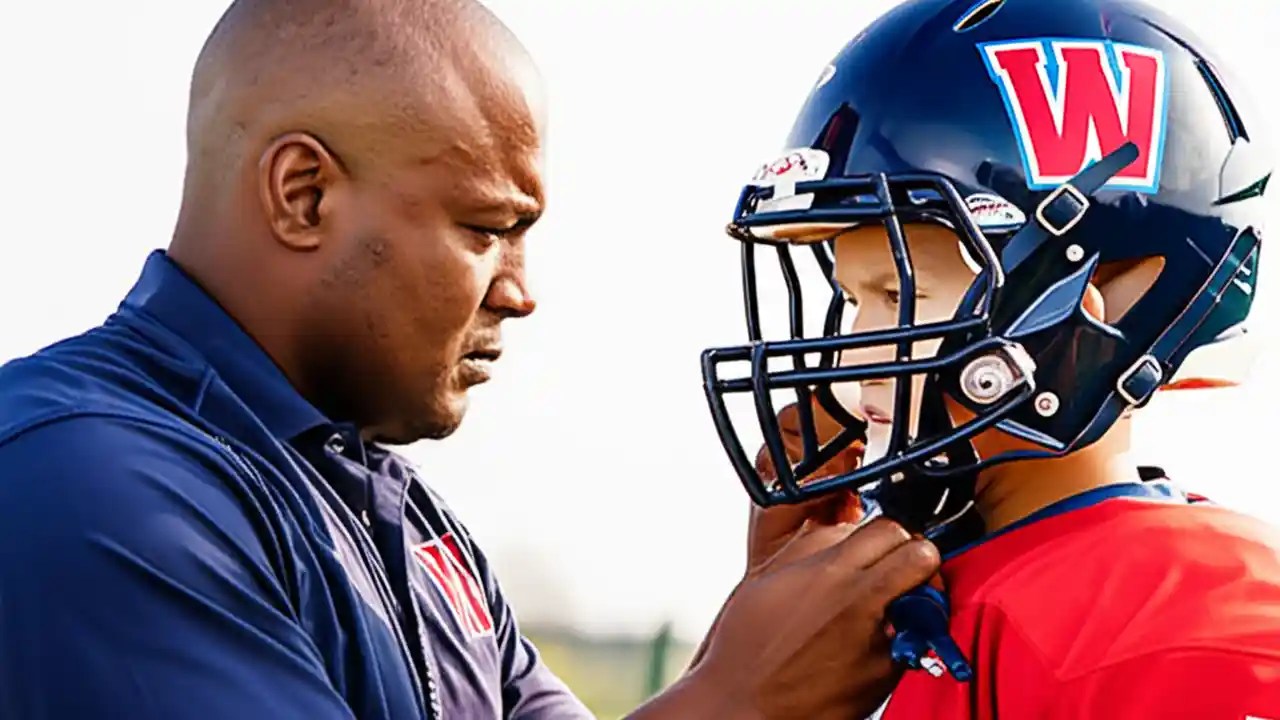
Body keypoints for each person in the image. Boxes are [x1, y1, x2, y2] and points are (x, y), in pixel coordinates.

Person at [0, 0, 942, 718]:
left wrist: (759, 634)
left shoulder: (399, 513)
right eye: (488, 228)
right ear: (303, 195)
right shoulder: (86, 488)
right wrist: (739, 702)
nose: (519, 291)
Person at [701, 0, 1280, 717]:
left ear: (1092, 305)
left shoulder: (1178, 631)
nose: (854, 366)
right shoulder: (907, 593)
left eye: (897, 291)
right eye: (852, 297)